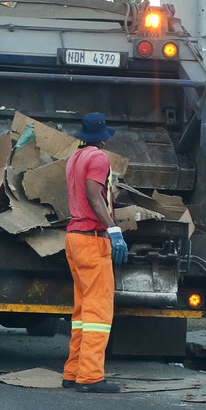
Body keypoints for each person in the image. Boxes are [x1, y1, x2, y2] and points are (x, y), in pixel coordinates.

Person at [62, 112, 129, 393]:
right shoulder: (99, 158)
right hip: (92, 239)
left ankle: (73, 372)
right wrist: (113, 229)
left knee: (81, 311)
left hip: (74, 239)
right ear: (103, 137)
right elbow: (94, 195)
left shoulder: (74, 158)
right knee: (98, 312)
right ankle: (90, 377)